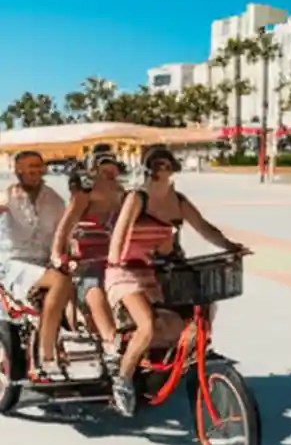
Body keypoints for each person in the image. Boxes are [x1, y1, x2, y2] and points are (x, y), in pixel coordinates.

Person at [106, 145, 246, 416]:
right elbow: (119, 235)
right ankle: (123, 380)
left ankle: (186, 359)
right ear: (149, 169)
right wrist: (116, 259)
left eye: (167, 164)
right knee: (146, 324)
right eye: (158, 165)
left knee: (202, 310)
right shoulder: (137, 198)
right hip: (126, 272)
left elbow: (204, 227)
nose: (163, 169)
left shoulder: (178, 201)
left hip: (159, 271)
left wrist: (231, 247)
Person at [0, 151, 75, 379]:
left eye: (38, 166)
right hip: (13, 264)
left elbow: (65, 233)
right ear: (18, 170)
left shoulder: (54, 199)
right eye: (29, 167)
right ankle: (46, 350)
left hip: (45, 263)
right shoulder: (7, 195)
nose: (35, 171)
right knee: (59, 281)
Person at [50, 147, 125, 355]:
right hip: (87, 259)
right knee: (94, 286)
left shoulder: (124, 196)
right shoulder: (84, 197)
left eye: (112, 170)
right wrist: (57, 254)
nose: (110, 174)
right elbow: (64, 227)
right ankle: (111, 339)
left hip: (116, 258)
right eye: (104, 171)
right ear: (94, 173)